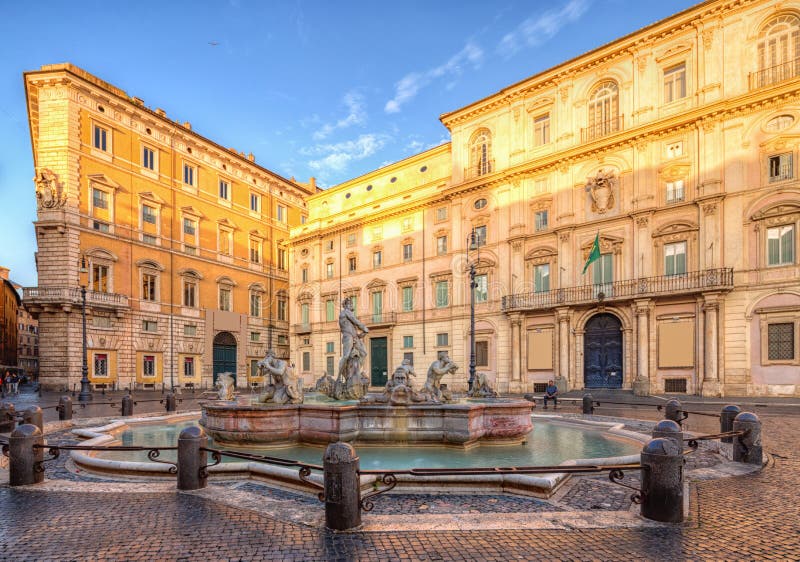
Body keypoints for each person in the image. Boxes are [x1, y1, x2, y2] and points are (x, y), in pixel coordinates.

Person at [337, 297, 369, 379]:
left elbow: (355, 330)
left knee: (364, 353)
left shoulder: (349, 315)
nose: (351, 305)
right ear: (346, 305)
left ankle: (355, 372)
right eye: (350, 304)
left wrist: (362, 334)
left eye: (352, 304)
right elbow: (355, 320)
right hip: (348, 336)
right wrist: (364, 328)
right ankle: (339, 375)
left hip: (354, 337)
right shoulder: (345, 312)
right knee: (346, 356)